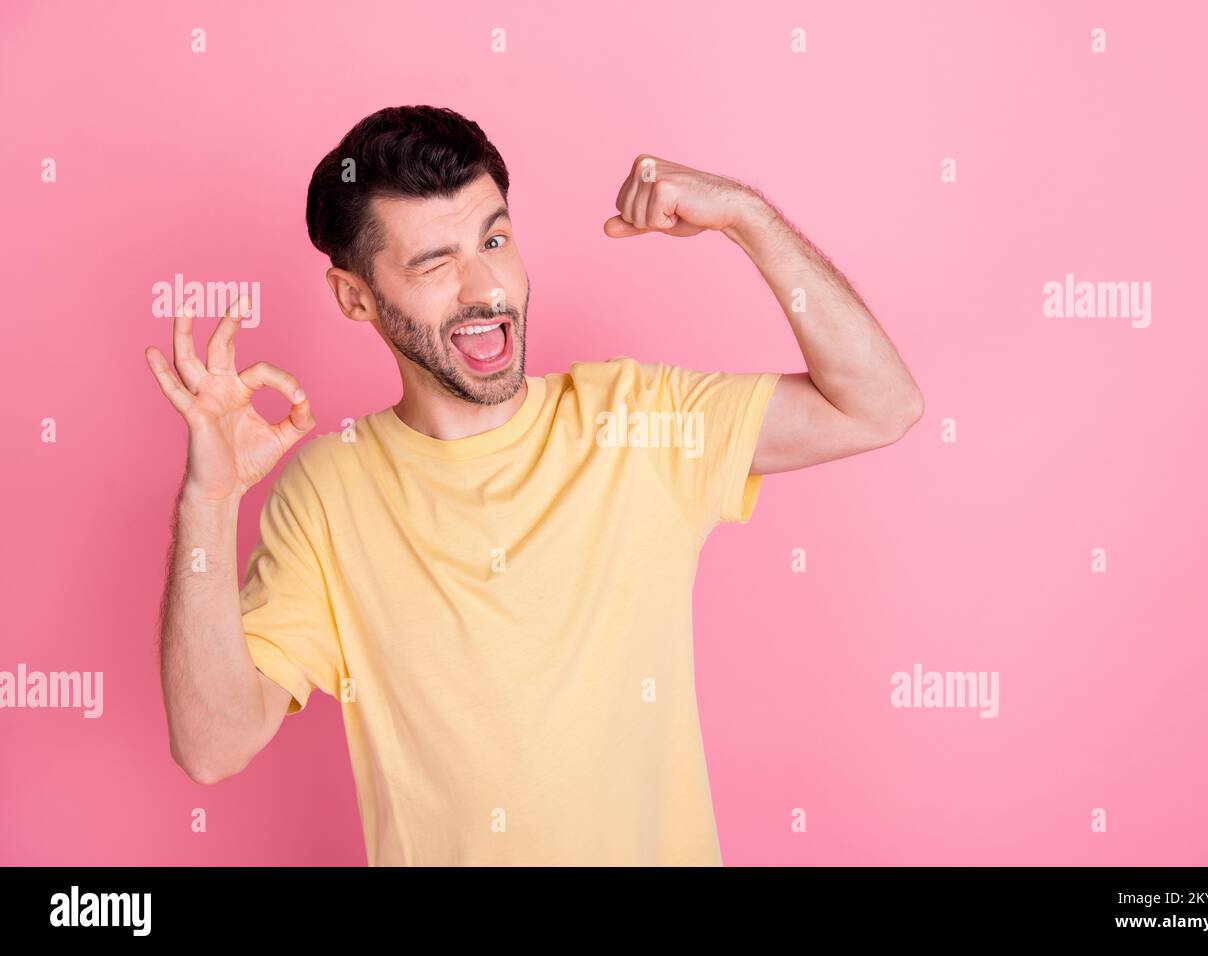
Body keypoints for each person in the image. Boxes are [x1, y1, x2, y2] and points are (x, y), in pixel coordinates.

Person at [146, 105, 924, 865]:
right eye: (435, 261)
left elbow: (880, 406)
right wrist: (209, 504)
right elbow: (213, 746)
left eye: (494, 238)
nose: (485, 287)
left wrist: (749, 217)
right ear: (356, 297)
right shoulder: (328, 491)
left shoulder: (636, 422)